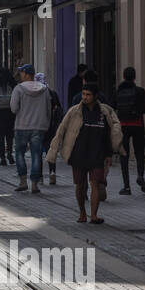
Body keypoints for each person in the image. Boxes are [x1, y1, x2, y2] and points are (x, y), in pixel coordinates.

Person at [45, 82, 122, 224]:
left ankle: (93, 215)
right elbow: (61, 130)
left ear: (96, 96)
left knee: (95, 183)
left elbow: (111, 132)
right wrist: (53, 151)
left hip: (97, 154)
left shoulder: (104, 112)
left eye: (88, 95)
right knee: (80, 185)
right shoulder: (74, 111)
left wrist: (110, 153)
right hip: (78, 153)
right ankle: (82, 213)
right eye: (83, 94)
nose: (85, 97)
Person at [10, 64, 51, 193]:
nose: (20, 75)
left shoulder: (18, 89)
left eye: (22, 72)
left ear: (27, 74)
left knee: (19, 153)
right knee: (36, 155)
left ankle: (22, 181)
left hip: (22, 126)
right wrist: (46, 124)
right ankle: (34, 184)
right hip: (38, 127)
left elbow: (13, 108)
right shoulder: (44, 89)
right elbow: (48, 109)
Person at [113, 66, 145, 194]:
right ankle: (140, 175)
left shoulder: (118, 91)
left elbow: (114, 108)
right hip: (138, 125)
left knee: (124, 155)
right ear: (134, 77)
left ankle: (127, 186)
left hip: (123, 125)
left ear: (124, 76)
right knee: (140, 152)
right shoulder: (140, 91)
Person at [38, 72, 63, 186]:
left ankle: (39, 176)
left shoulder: (35, 93)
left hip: (38, 126)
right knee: (50, 150)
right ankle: (52, 172)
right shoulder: (52, 93)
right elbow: (59, 109)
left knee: (38, 151)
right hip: (51, 126)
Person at [0, 67, 17, 165]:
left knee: (0, 136)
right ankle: (10, 153)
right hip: (10, 114)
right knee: (9, 136)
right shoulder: (13, 84)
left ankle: (2, 157)